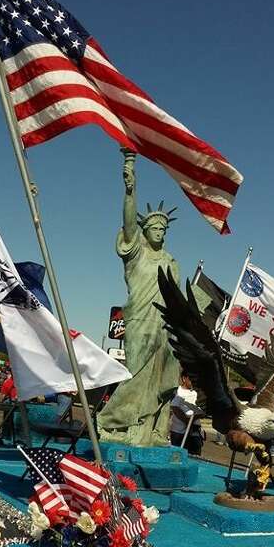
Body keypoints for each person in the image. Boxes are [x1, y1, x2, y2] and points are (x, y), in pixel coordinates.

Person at [97, 149, 180, 446]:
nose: (158, 231)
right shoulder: (137, 254)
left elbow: (177, 298)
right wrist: (130, 186)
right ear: (145, 231)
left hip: (165, 325)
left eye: (163, 228)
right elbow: (128, 221)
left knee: (164, 379)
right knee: (135, 375)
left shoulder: (170, 261)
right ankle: (109, 422)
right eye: (153, 227)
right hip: (140, 321)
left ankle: (155, 431)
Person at [170, 373, 204, 456]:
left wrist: (195, 419)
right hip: (179, 432)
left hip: (194, 433)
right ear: (184, 378)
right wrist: (187, 421)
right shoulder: (178, 391)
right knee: (177, 457)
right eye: (191, 379)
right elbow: (175, 407)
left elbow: (202, 410)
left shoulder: (197, 392)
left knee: (194, 457)